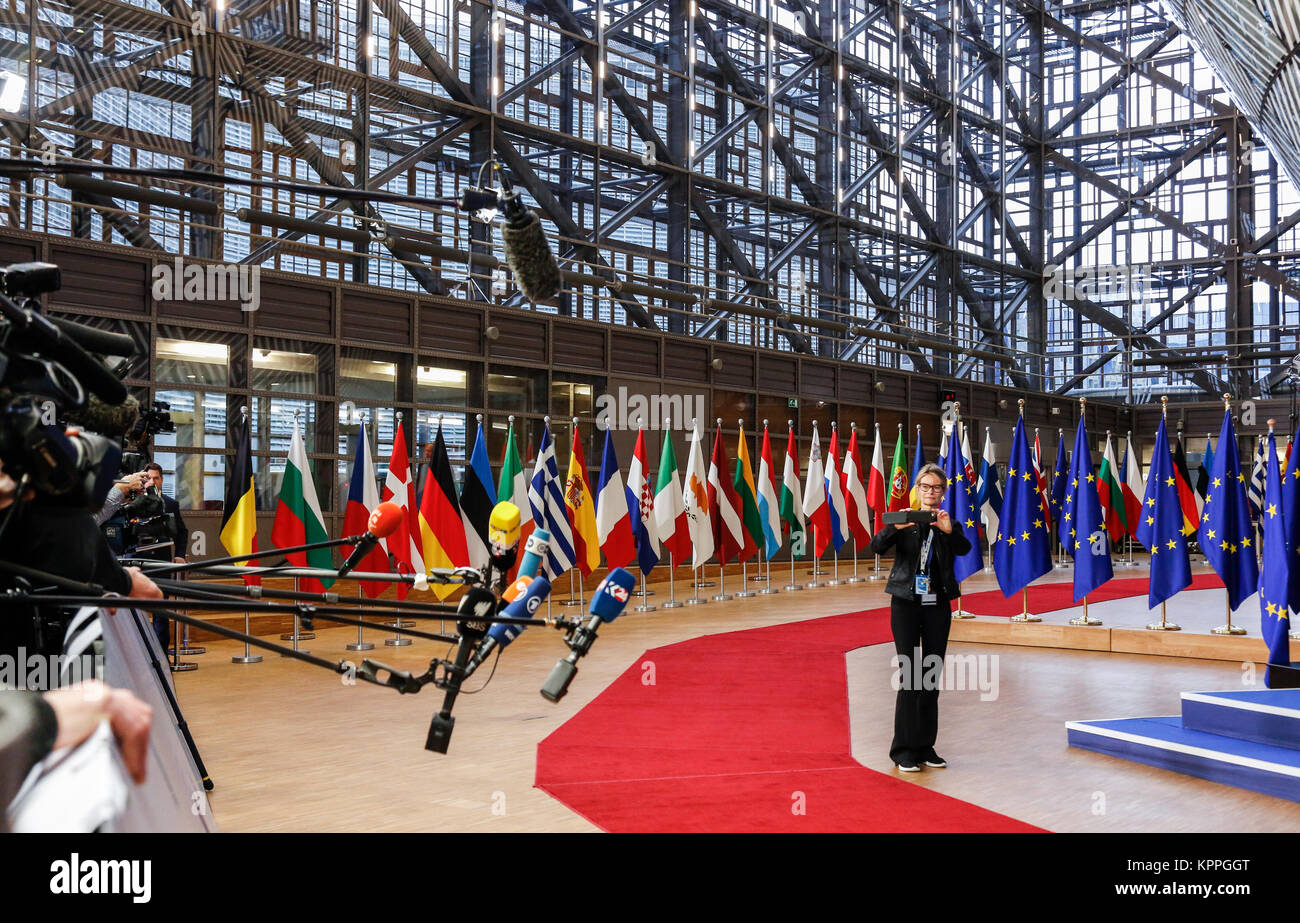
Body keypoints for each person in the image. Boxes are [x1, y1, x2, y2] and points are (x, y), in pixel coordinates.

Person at [869, 462, 971, 773]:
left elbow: (965, 549)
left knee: (930, 676)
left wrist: (948, 532)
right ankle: (903, 750)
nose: (931, 492)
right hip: (906, 604)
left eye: (937, 488)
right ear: (918, 490)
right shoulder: (904, 520)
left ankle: (926, 746)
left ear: (943, 492)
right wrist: (893, 528)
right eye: (926, 487)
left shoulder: (947, 522)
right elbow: (876, 547)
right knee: (911, 675)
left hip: (937, 604)